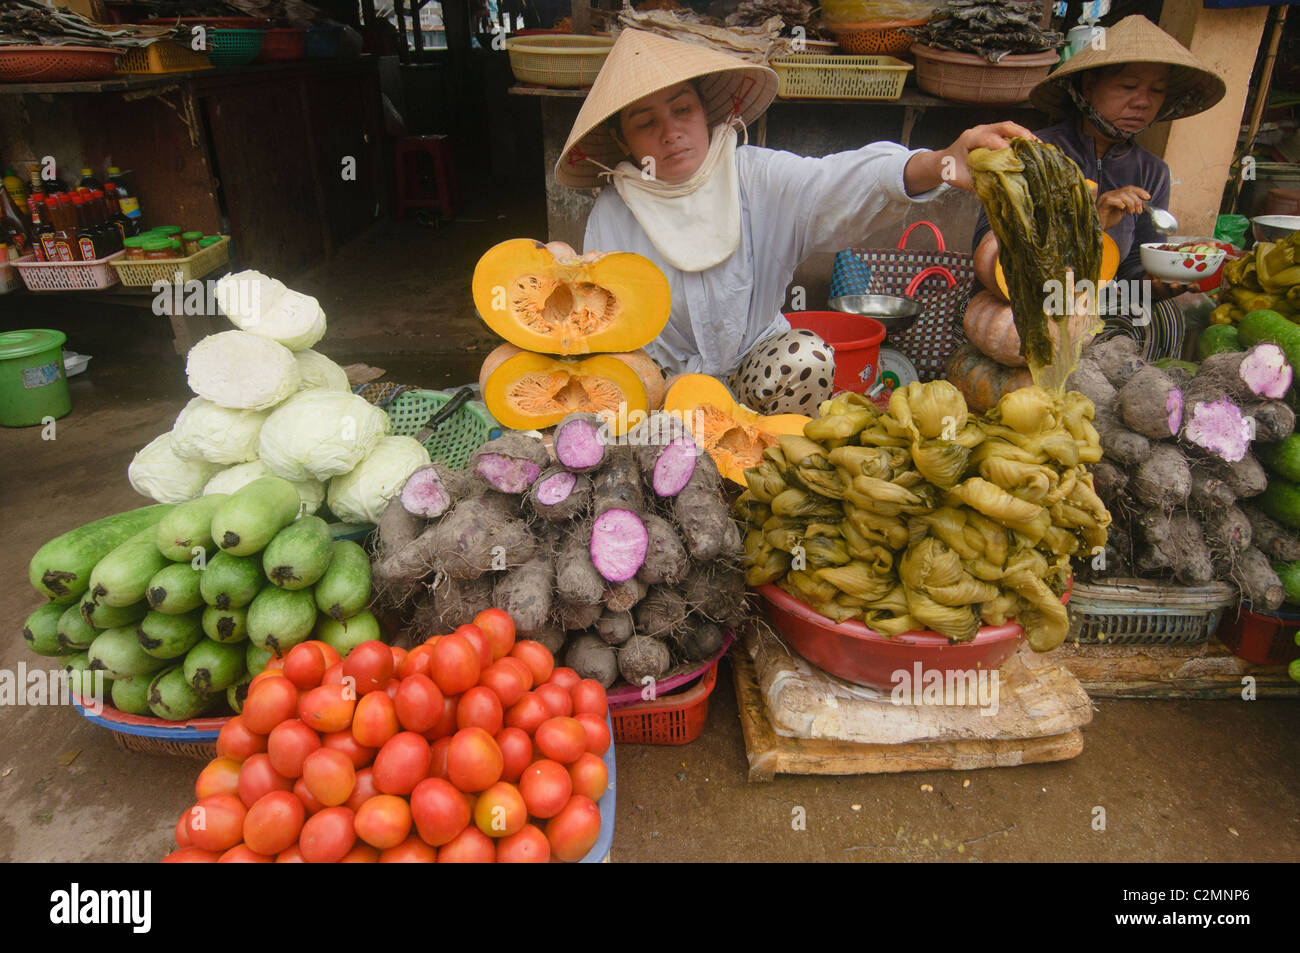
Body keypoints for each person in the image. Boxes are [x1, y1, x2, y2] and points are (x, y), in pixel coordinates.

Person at [555, 29, 1036, 415]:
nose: (671, 132)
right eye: (645, 123)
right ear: (622, 142)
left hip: (758, 371)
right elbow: (603, 323)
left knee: (808, 357)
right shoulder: (613, 213)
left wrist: (941, 163)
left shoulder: (756, 176)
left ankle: (759, 446)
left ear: (704, 111)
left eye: (682, 109)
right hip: (662, 384)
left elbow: (837, 182)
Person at [968, 15, 1226, 359]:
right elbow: (995, 256)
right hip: (1020, 302)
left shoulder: (1152, 172)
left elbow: (1134, 273)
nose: (1143, 101)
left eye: (1157, 90)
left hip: (1093, 303)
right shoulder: (1031, 153)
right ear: (1089, 87)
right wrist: (1090, 222)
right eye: (1128, 86)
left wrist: (1163, 283)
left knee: (1164, 318)